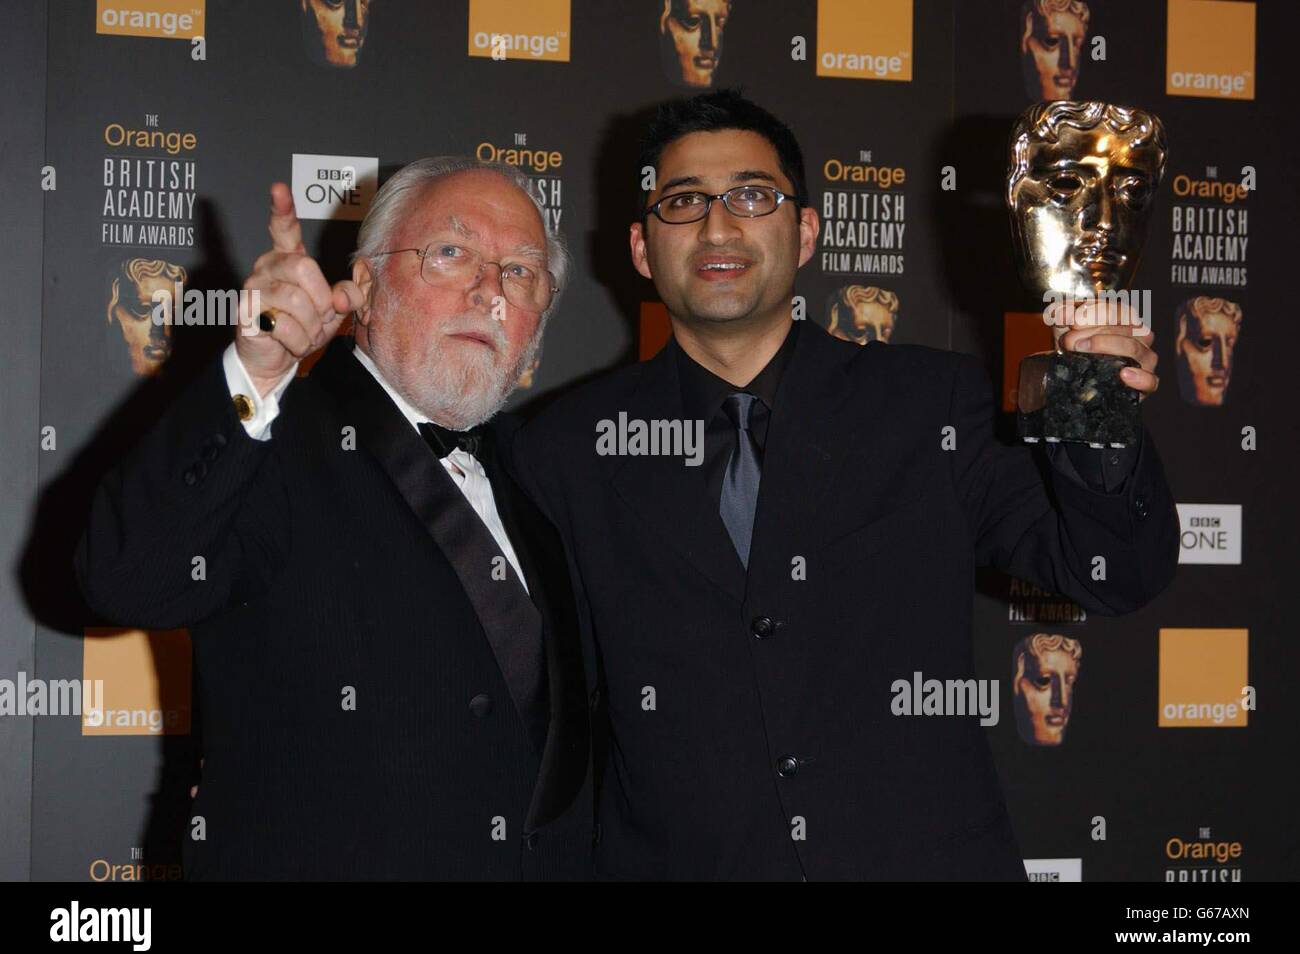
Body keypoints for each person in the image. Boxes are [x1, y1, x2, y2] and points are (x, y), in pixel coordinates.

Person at [514, 89, 1179, 880]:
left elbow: (1111, 573)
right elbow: (544, 719)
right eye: (683, 201)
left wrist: (1092, 403)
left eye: (754, 195)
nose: (718, 226)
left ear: (806, 234)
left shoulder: (937, 404)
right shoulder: (560, 447)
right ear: (638, 246)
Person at [76, 157, 591, 880]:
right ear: (368, 287)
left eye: (521, 273)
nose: (488, 291)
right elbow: (128, 576)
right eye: (451, 253)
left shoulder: (546, 474)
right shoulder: (275, 438)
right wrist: (253, 372)